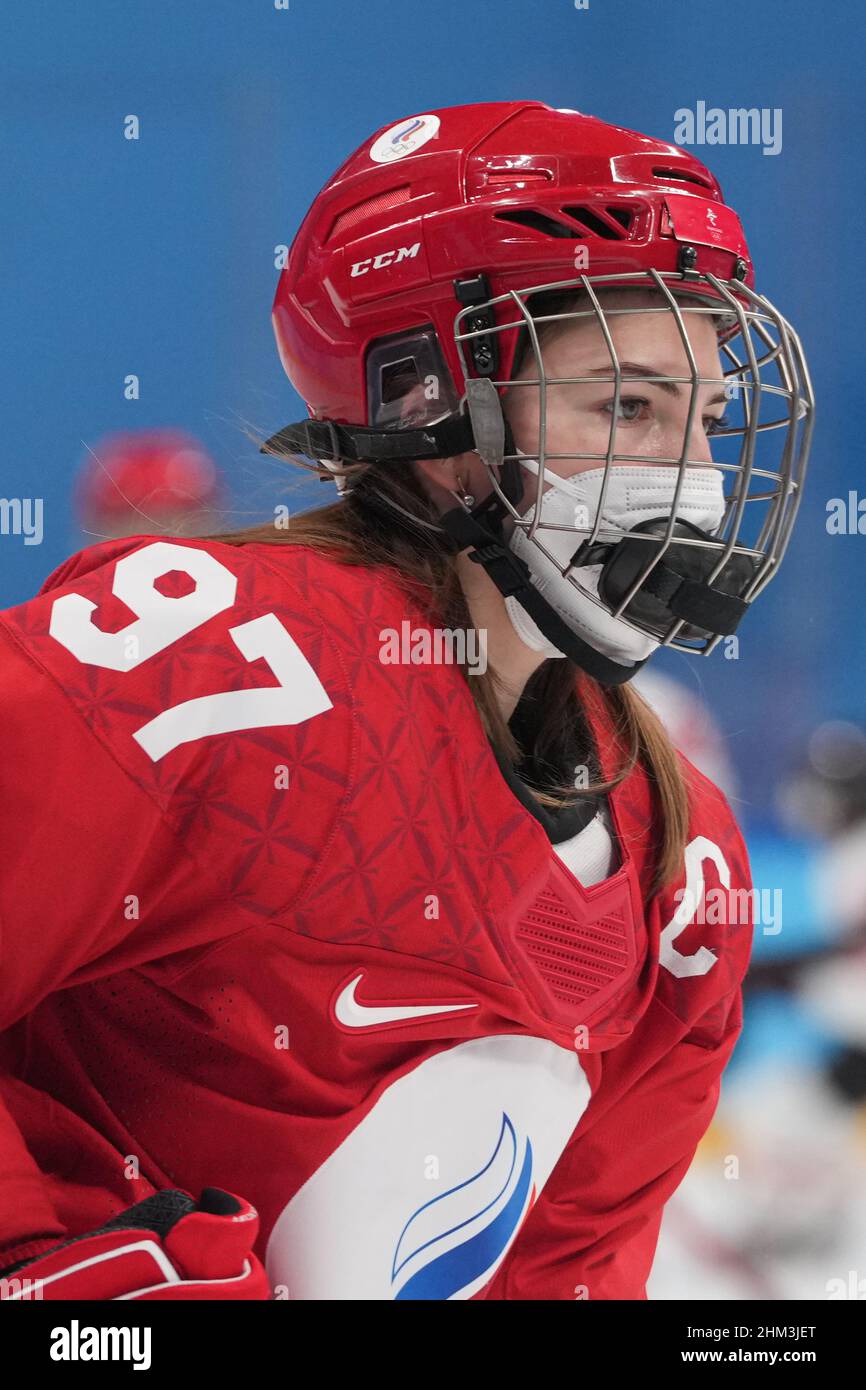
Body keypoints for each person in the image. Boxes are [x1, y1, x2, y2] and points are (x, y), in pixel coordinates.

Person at [0, 100, 814, 1300]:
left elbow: (564, 1279)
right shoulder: (192, 663)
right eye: (626, 406)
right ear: (434, 414)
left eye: (699, 418)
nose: (686, 483)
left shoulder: (679, 876)